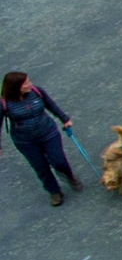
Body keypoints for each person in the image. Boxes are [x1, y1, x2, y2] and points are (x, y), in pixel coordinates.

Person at [1, 71, 82, 207]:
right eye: (26, 83)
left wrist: (65, 119)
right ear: (16, 87)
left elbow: (51, 105)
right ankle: (54, 191)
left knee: (59, 160)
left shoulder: (36, 91)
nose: (30, 84)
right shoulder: (4, 103)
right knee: (41, 167)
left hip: (48, 133)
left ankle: (69, 176)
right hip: (25, 141)